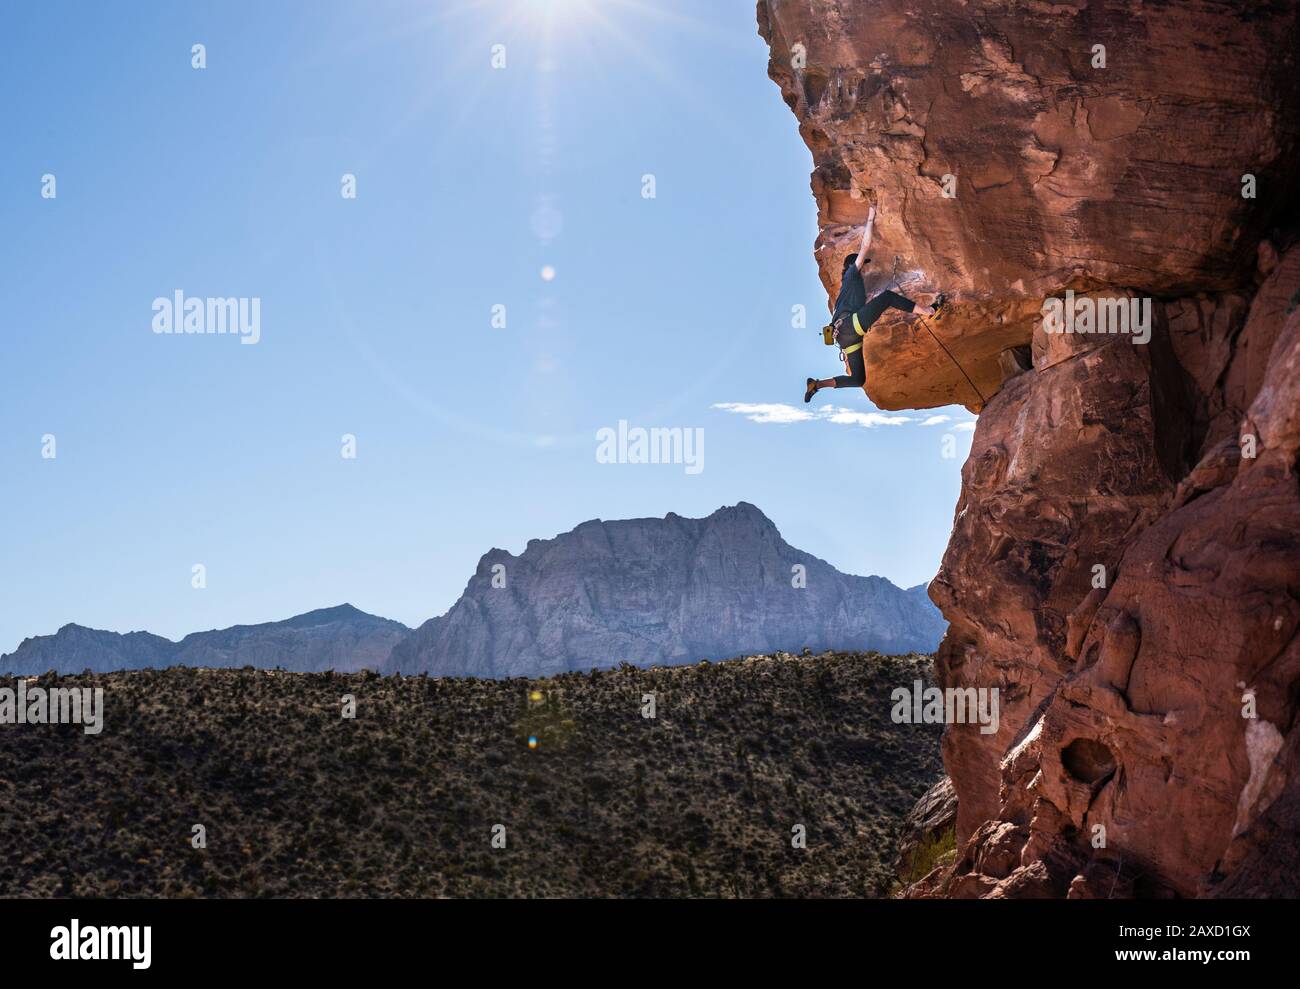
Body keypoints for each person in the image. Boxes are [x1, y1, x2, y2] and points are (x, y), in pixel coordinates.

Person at [804, 203, 944, 403]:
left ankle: (817, 385)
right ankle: (930, 311)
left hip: (846, 339)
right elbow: (865, 246)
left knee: (858, 379)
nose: (866, 268)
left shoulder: (850, 287)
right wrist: (871, 217)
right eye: (863, 265)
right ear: (855, 266)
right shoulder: (852, 274)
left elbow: (859, 305)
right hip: (851, 328)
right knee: (887, 298)